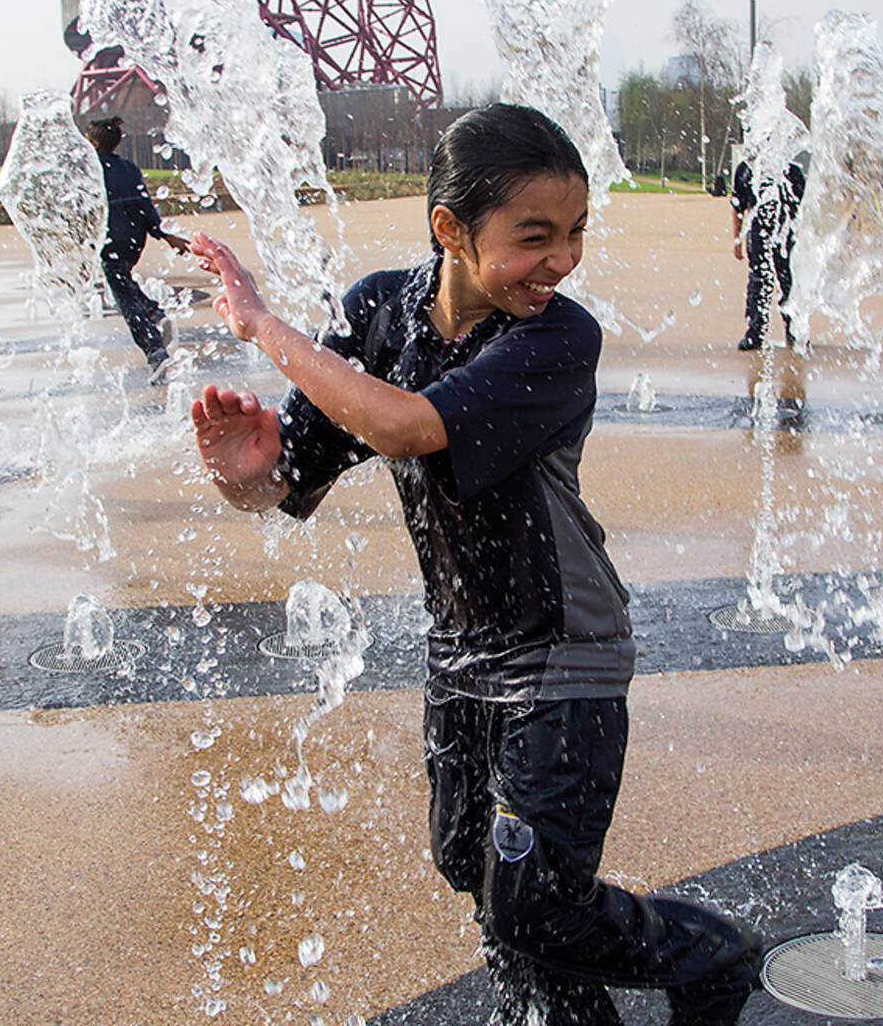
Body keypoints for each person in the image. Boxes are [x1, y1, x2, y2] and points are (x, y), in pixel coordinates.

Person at [190, 104, 763, 1026]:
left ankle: (710, 955)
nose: (563, 260)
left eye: (575, 232)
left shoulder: (556, 340)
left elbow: (406, 427)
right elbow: (287, 479)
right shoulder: (381, 314)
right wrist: (243, 471)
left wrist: (264, 328)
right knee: (474, 867)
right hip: (461, 650)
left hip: (562, 653)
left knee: (531, 898)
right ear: (450, 230)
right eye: (535, 237)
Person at [85, 116, 191, 384]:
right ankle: (154, 312)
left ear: (93, 142)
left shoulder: (91, 169)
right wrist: (164, 235)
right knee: (123, 282)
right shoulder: (129, 168)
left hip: (109, 239)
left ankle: (155, 350)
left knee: (125, 300)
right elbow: (145, 205)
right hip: (134, 238)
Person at [730, 154, 804, 350]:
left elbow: (804, 208)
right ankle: (755, 332)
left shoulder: (791, 169)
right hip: (758, 235)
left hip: (786, 235)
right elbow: (738, 207)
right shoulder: (747, 169)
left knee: (788, 283)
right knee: (758, 282)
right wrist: (737, 240)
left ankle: (794, 330)